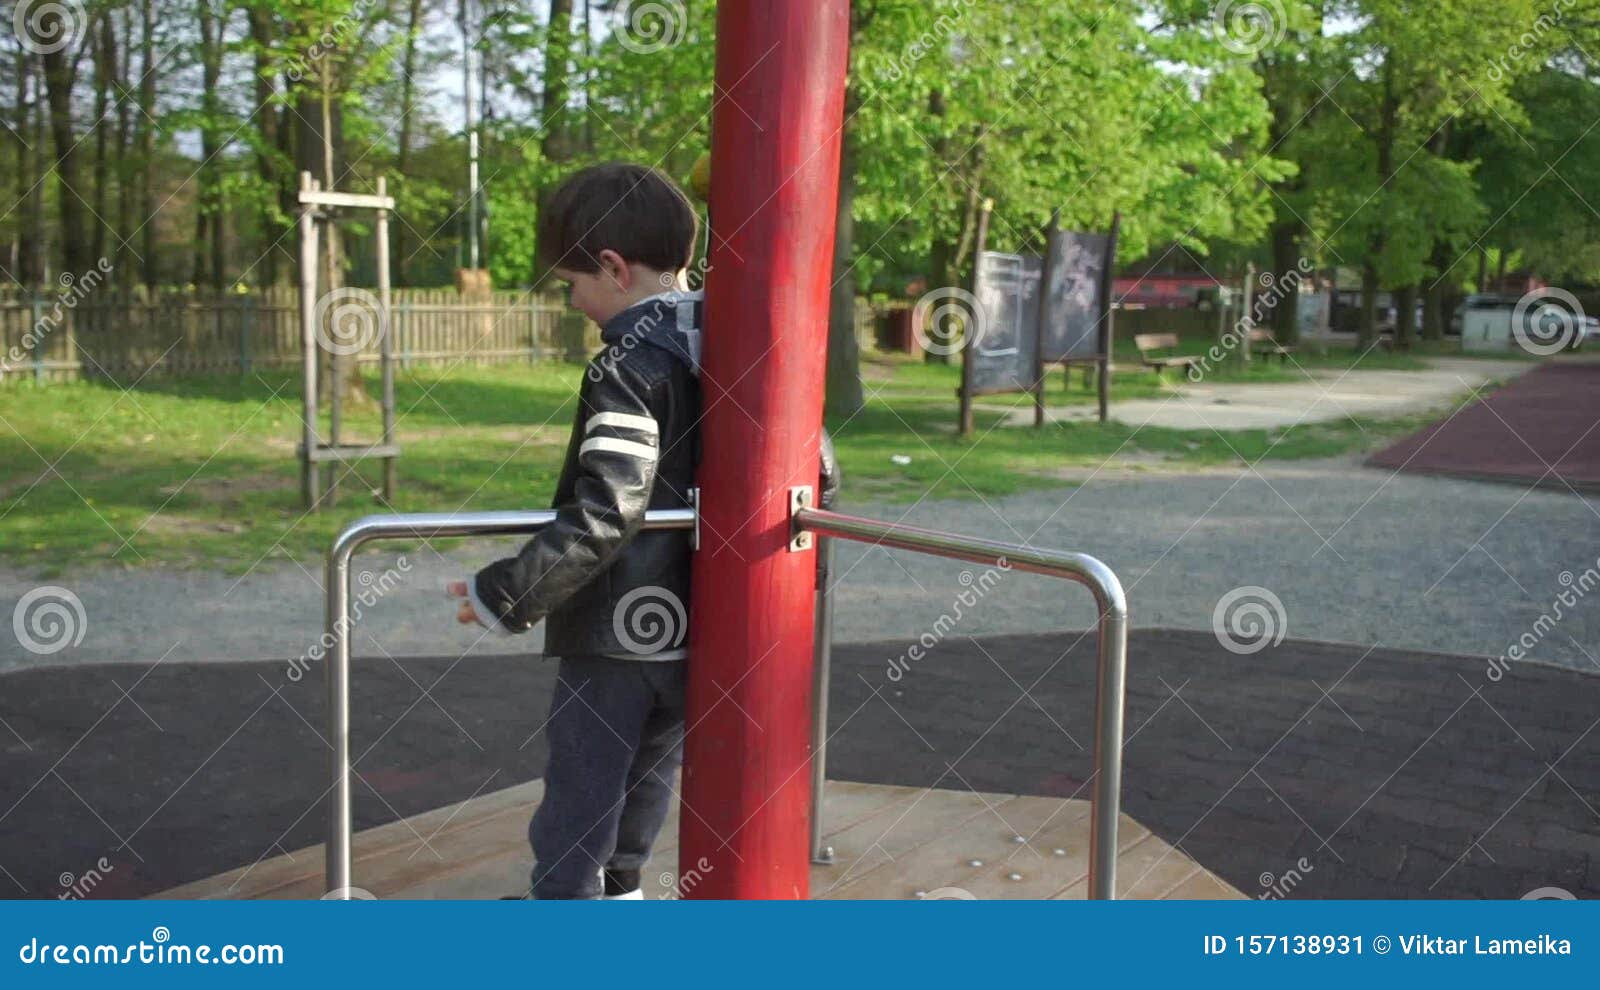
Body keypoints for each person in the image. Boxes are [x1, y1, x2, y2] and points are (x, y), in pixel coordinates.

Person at [447, 162, 838, 899]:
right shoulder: (743, 342)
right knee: (652, 765)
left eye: (571, 283)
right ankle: (622, 889)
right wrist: (798, 590)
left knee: (585, 775)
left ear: (613, 268)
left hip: (618, 628)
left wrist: (506, 590)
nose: (573, 300)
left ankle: (566, 903)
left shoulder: (625, 363)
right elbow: (818, 471)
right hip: (704, 618)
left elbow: (608, 509)